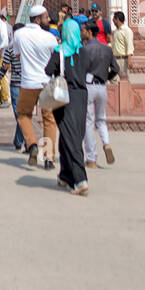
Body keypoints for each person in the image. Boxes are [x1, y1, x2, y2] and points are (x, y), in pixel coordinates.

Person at [44, 17, 91, 195]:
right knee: (70, 134)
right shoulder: (84, 51)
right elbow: (89, 69)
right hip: (81, 95)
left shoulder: (60, 51)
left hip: (64, 95)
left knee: (70, 137)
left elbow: (48, 70)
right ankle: (65, 175)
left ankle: (80, 180)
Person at [10, 5, 59, 169]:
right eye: (45, 17)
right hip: (46, 83)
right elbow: (56, 59)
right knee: (49, 120)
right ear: (37, 19)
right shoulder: (50, 38)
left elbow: (16, 55)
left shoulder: (19, 34)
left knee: (23, 115)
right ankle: (49, 159)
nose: (48, 20)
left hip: (28, 83)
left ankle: (31, 145)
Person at [81, 18, 119, 168]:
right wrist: (105, 78)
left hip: (89, 86)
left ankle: (91, 158)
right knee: (101, 119)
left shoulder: (85, 50)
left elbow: (81, 69)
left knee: (88, 122)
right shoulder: (107, 49)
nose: (81, 32)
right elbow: (116, 69)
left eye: (83, 30)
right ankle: (107, 143)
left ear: (90, 32)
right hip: (102, 86)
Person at [0, 31, 25, 151]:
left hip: (16, 84)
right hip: (28, 84)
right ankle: (22, 141)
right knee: (24, 115)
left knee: (20, 115)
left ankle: (22, 140)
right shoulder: (28, 48)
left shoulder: (11, 49)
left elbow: (5, 66)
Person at [111, 10, 134, 77]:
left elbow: (129, 46)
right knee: (114, 80)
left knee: (124, 80)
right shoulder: (116, 31)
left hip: (123, 60)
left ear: (117, 19)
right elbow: (114, 45)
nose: (112, 21)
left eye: (113, 19)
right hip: (115, 59)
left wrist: (129, 60)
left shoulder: (127, 31)